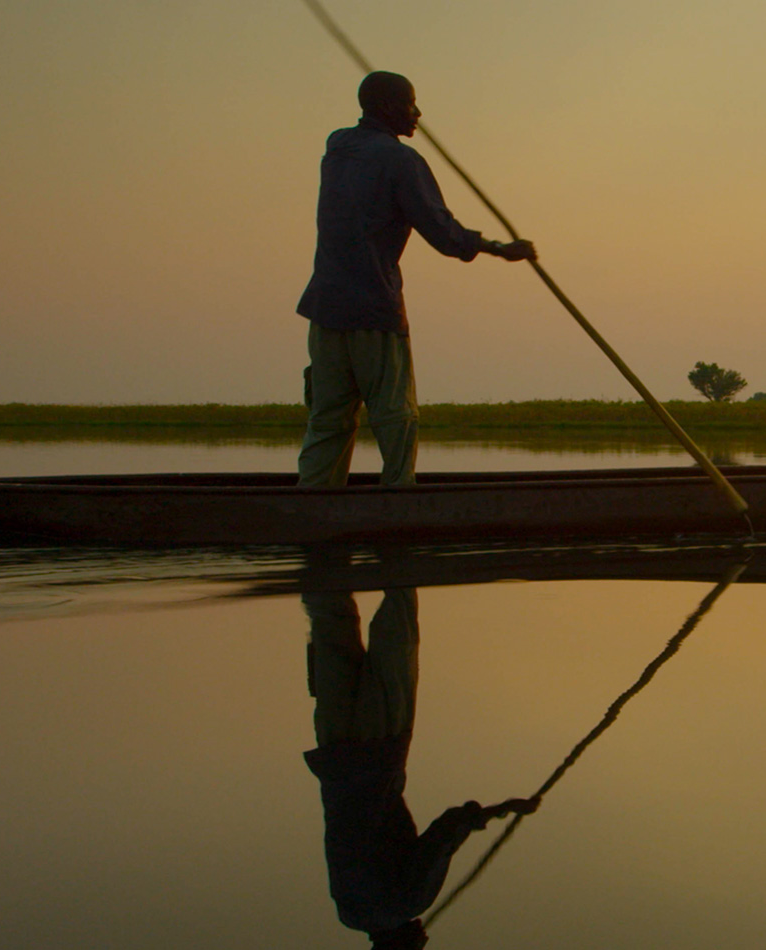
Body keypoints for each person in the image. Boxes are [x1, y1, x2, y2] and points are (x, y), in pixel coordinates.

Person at [295, 70, 535, 488]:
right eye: (410, 104)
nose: (418, 114)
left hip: (325, 308)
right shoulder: (401, 161)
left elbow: (359, 141)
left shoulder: (338, 147)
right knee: (395, 416)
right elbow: (444, 235)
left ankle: (312, 499)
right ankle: (398, 500)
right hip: (374, 308)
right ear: (387, 108)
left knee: (328, 419)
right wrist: (501, 249)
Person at [301, 577, 535, 949]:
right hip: (333, 755)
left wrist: (503, 808)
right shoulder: (351, 914)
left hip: (378, 751)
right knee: (331, 621)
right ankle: (321, 558)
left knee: (399, 630)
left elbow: (444, 835)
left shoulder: (406, 903)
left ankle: (397, 555)